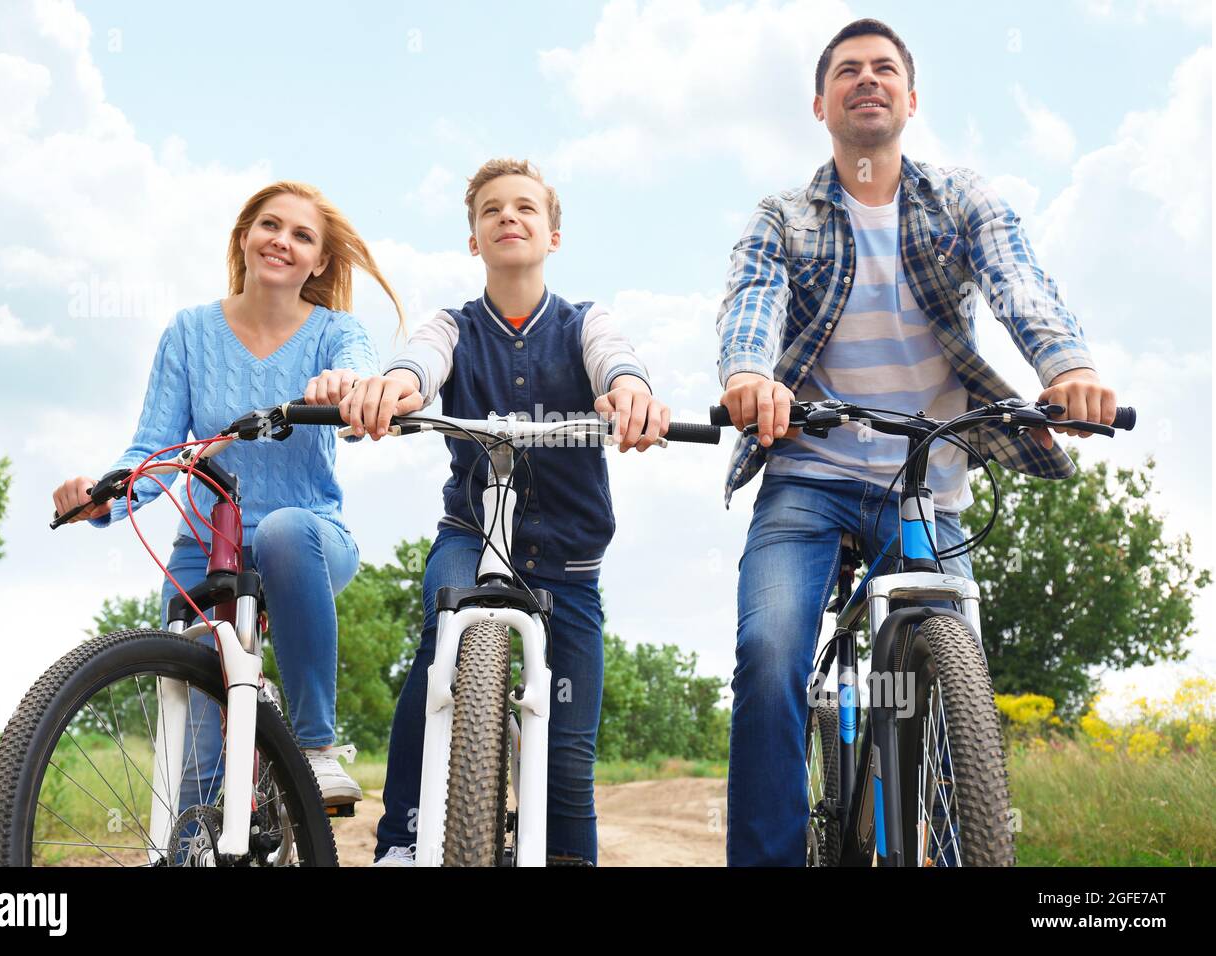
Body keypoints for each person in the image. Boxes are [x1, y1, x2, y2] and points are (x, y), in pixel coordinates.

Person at [714, 19, 1118, 865]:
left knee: (954, 677)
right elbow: (752, 301)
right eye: (849, 70)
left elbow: (1019, 281)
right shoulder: (784, 215)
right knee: (770, 652)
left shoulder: (959, 199)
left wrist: (1069, 366)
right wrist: (750, 378)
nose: (869, 79)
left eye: (885, 68)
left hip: (927, 479)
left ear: (911, 95)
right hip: (809, 477)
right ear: (820, 103)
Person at [344, 158, 669, 866]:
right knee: (439, 645)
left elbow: (615, 359)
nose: (508, 218)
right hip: (472, 536)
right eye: (492, 210)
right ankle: (401, 840)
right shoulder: (453, 324)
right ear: (474, 240)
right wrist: (393, 389)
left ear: (553, 233)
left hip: (567, 563)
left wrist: (629, 391)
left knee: (569, 763)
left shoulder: (586, 322)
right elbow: (419, 364)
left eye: (525, 208)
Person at [51, 181, 406, 810]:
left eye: (302, 236)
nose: (282, 242)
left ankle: (316, 749)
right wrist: (105, 496)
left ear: (320, 262)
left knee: (283, 532)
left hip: (309, 540)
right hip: (207, 549)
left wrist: (347, 386)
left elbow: (361, 378)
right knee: (197, 774)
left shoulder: (336, 333)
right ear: (244, 236)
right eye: (270, 226)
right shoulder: (189, 333)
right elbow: (155, 452)